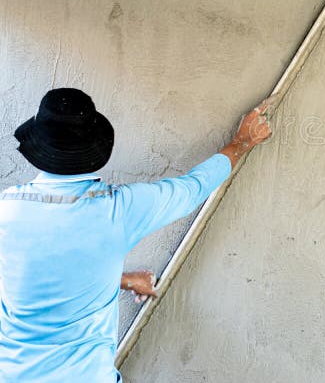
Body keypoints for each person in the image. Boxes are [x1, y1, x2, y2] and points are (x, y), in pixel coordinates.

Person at [0, 88, 272, 382]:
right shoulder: (119, 209)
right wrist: (241, 143)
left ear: (39, 145)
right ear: (94, 146)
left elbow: (42, 274)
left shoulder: (7, 209)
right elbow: (193, 188)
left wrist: (122, 279)